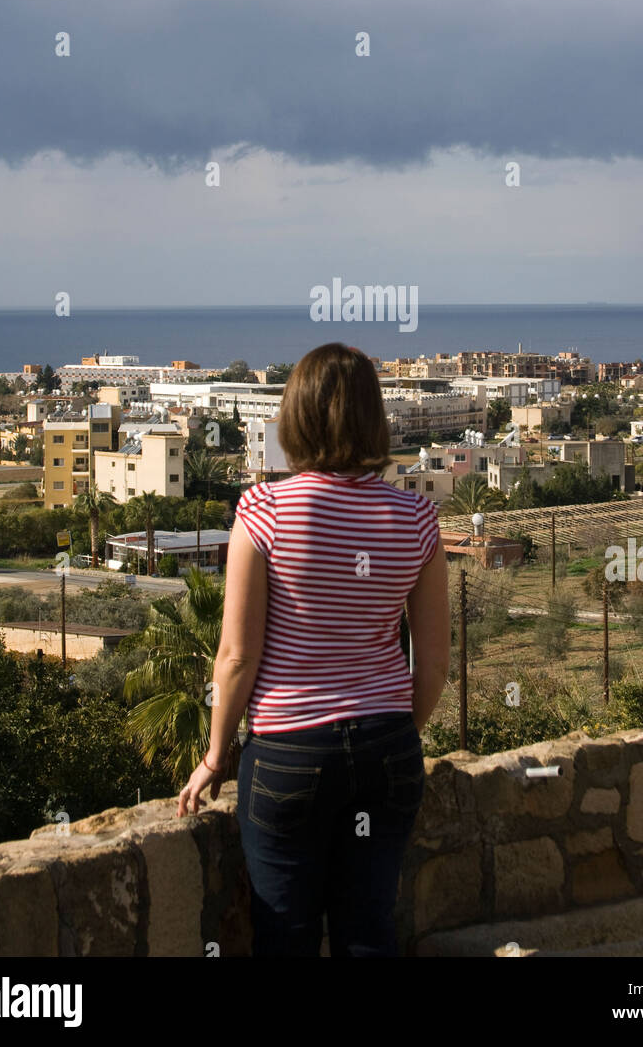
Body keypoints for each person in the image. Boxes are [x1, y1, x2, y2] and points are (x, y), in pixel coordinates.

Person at [176, 342, 450, 957]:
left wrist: (216, 755)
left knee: (285, 937)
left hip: (288, 755)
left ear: (294, 418)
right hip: (387, 748)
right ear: (375, 419)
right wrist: (400, 733)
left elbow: (236, 657)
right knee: (368, 933)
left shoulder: (264, 511)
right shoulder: (418, 519)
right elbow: (432, 662)